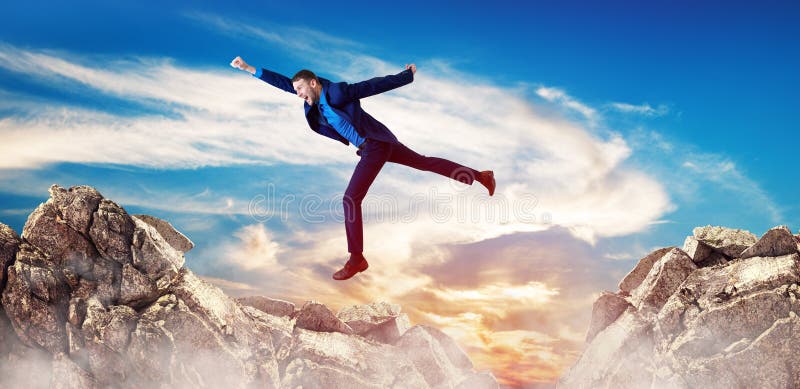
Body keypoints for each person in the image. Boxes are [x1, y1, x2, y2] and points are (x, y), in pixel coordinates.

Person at [230, 56, 495, 281]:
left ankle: (356, 259)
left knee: (351, 198)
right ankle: (481, 176)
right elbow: (283, 83)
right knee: (424, 162)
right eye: (295, 90)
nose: (297, 94)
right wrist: (249, 68)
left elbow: (371, 86)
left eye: (300, 88)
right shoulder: (313, 101)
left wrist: (405, 76)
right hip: (379, 143)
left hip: (374, 145)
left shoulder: (336, 93)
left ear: (313, 83)